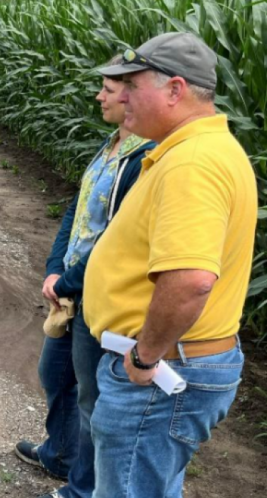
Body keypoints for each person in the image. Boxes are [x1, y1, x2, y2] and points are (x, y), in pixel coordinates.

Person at [85, 32, 255, 498]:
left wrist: (145, 357)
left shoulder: (192, 164)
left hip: (161, 371)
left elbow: (191, 280)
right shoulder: (196, 150)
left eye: (131, 85)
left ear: (175, 90)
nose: (120, 96)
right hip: (174, 363)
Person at [15, 56, 156, 498]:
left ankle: (82, 488)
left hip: (99, 296)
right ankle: (60, 453)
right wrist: (55, 268)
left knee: (93, 398)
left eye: (108, 90)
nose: (99, 96)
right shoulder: (111, 145)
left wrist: (68, 281)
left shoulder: (144, 160)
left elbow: (117, 238)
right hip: (74, 287)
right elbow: (77, 212)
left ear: (132, 95)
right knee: (54, 373)